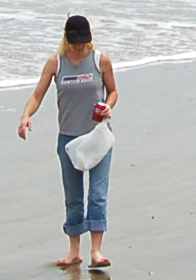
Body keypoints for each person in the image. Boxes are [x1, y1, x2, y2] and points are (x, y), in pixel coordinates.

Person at [19, 14, 120, 269]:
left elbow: (113, 91)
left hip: (97, 135)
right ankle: (74, 250)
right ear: (67, 39)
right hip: (69, 138)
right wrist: (25, 116)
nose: (80, 47)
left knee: (97, 194)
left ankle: (97, 251)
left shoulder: (100, 60)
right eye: (75, 42)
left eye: (84, 42)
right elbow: (37, 95)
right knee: (73, 196)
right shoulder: (56, 64)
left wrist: (108, 106)